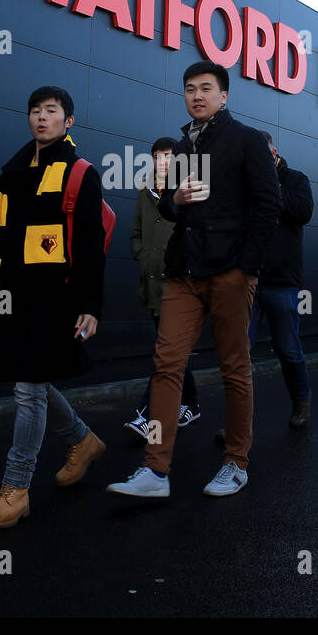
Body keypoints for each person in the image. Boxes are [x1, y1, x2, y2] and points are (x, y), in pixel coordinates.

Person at [106, 60, 281, 500]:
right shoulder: (182, 147)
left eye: (206, 88)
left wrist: (248, 268)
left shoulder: (246, 140)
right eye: (189, 89)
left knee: (233, 369)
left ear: (224, 96)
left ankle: (236, 462)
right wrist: (175, 199)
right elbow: (169, 206)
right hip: (183, 272)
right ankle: (155, 470)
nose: (197, 95)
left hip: (230, 272)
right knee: (167, 365)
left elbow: (268, 205)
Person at [0, 86, 107, 529]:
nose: (41, 118)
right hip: (11, 295)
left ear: (68, 121)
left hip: (55, 299)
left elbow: (92, 248)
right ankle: (82, 440)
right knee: (27, 382)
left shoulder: (80, 173)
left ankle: (15, 488)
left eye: (51, 111)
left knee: (29, 388)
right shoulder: (13, 173)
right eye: (35, 111)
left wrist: (90, 306)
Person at [124, 137, 200, 440]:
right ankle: (191, 404)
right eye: (157, 157)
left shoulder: (187, 191)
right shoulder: (145, 192)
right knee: (173, 352)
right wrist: (142, 255)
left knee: (165, 354)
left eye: (167, 156)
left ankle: (147, 414)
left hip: (178, 286)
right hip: (152, 286)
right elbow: (136, 233)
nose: (161, 162)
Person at [248, 132, 315, 428]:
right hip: (248, 280)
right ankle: (239, 421)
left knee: (287, 348)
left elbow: (303, 212)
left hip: (283, 282)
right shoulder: (245, 182)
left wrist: (269, 183)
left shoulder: (296, 179)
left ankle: (302, 400)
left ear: (274, 152)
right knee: (239, 353)